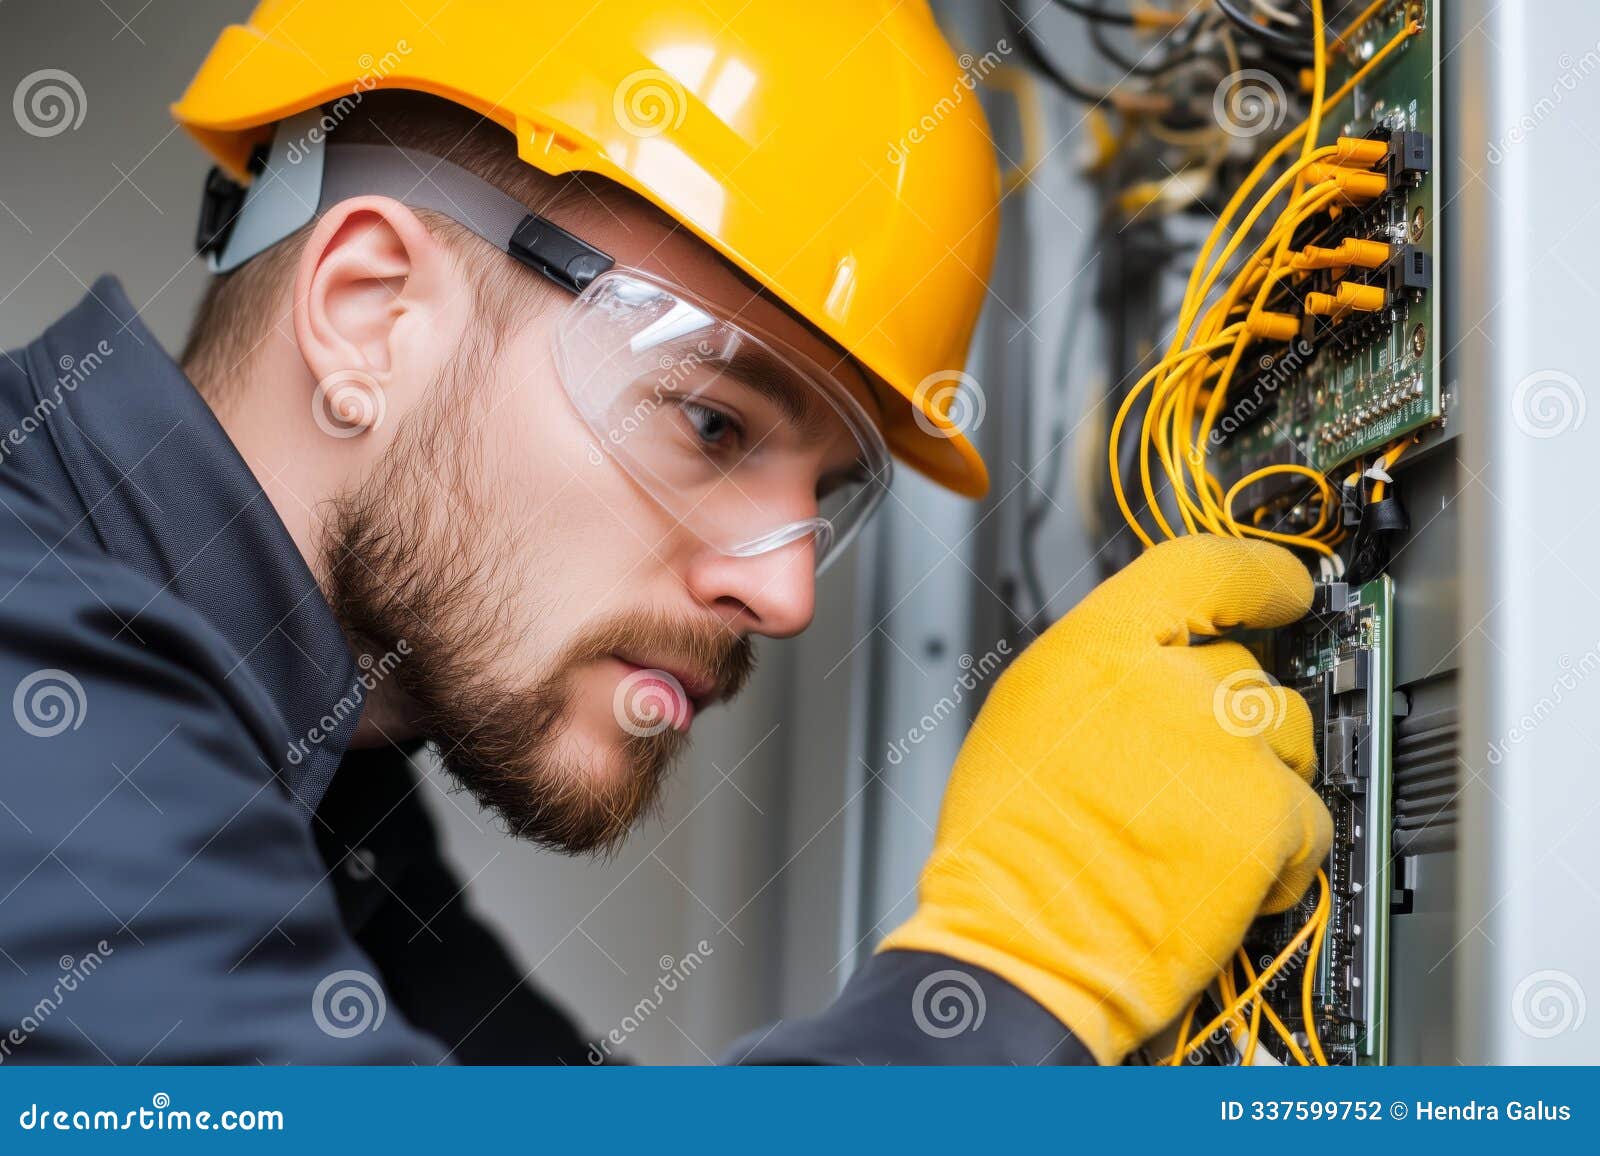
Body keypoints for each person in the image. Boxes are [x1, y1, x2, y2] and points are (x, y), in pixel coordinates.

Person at [0, 0, 1329, 1065]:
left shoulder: (322, 759)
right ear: (369, 310)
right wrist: (1016, 968)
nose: (788, 591)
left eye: (828, 492)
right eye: (709, 425)